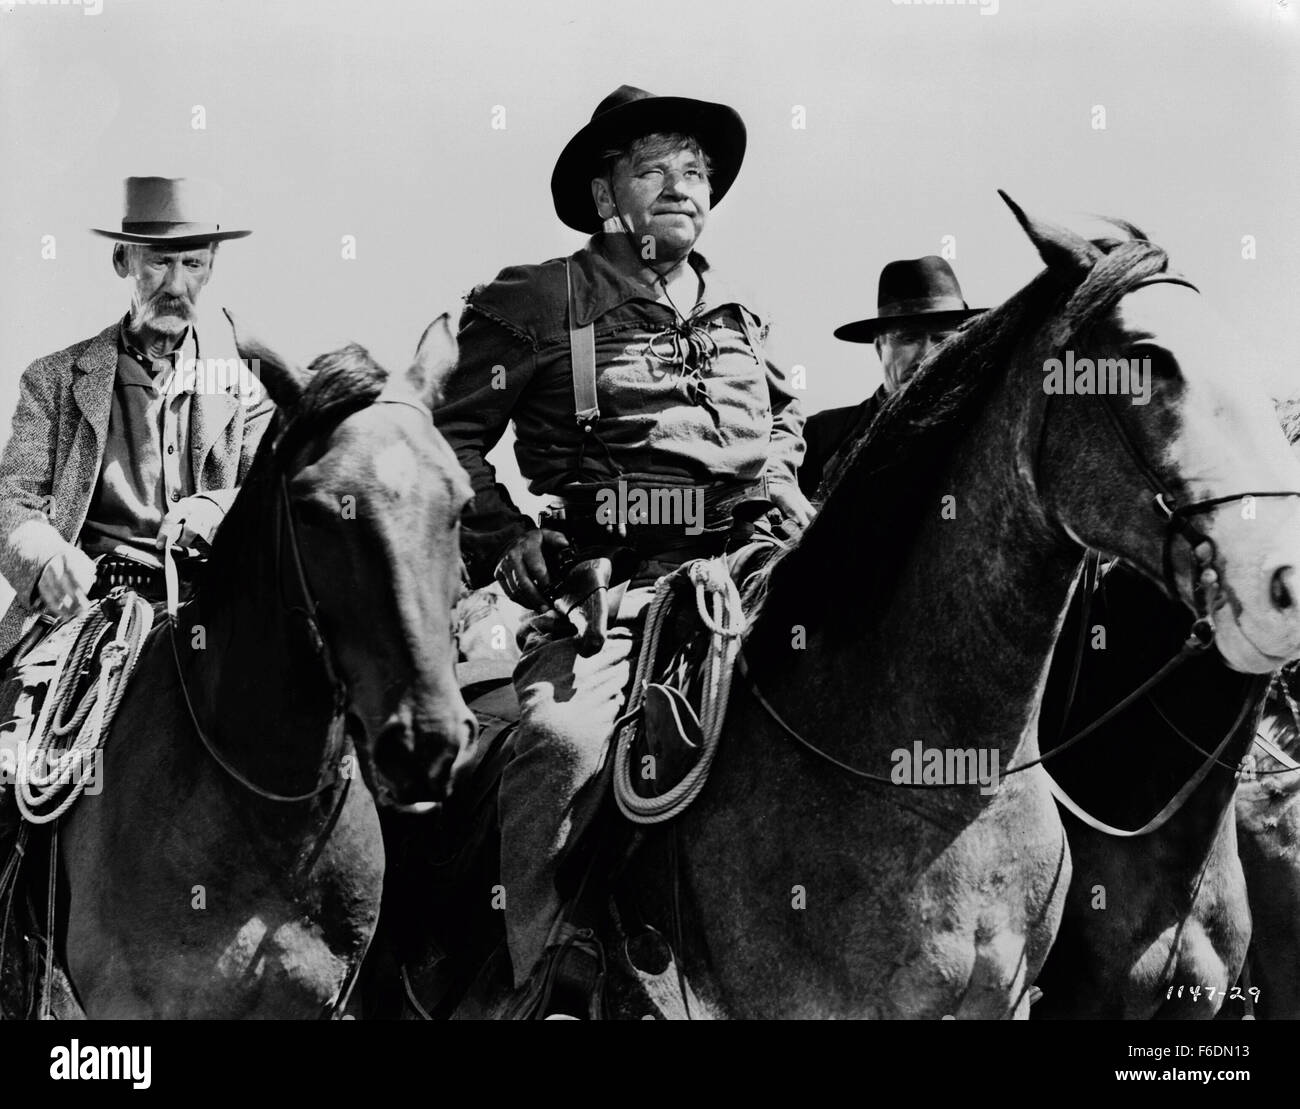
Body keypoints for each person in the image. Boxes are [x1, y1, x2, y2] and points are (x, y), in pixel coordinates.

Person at [434, 85, 810, 1014]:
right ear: (608, 198)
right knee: (559, 743)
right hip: (615, 588)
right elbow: (448, 436)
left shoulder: (741, 307)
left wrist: (778, 491)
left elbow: (787, 419)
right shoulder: (533, 299)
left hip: (753, 572)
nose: (683, 186)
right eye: (654, 169)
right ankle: (551, 974)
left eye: (696, 171)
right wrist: (514, 535)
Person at [799, 256, 985, 498]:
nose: (927, 355)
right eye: (908, 338)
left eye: (942, 339)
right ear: (880, 348)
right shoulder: (820, 436)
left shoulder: (987, 435)